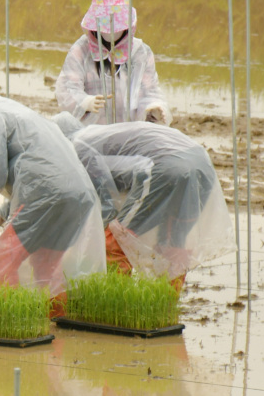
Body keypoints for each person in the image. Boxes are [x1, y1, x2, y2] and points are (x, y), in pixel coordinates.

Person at [0, 69, 104, 313]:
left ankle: (8, 321)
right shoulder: (6, 107)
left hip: (45, 196)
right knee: (47, 271)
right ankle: (58, 332)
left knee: (2, 263)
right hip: (76, 195)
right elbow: (33, 172)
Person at [53, 113, 234, 289]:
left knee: (115, 240)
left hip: (166, 168)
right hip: (202, 166)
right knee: (172, 244)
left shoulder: (78, 148)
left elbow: (106, 207)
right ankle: (167, 302)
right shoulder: (99, 134)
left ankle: (112, 301)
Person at [55, 0, 171, 127]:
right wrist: (85, 102)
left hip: (129, 133)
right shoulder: (81, 50)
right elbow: (67, 87)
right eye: (105, 23)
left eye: (116, 25)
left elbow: (150, 90)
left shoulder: (140, 53)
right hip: (89, 134)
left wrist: (154, 107)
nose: (110, 30)